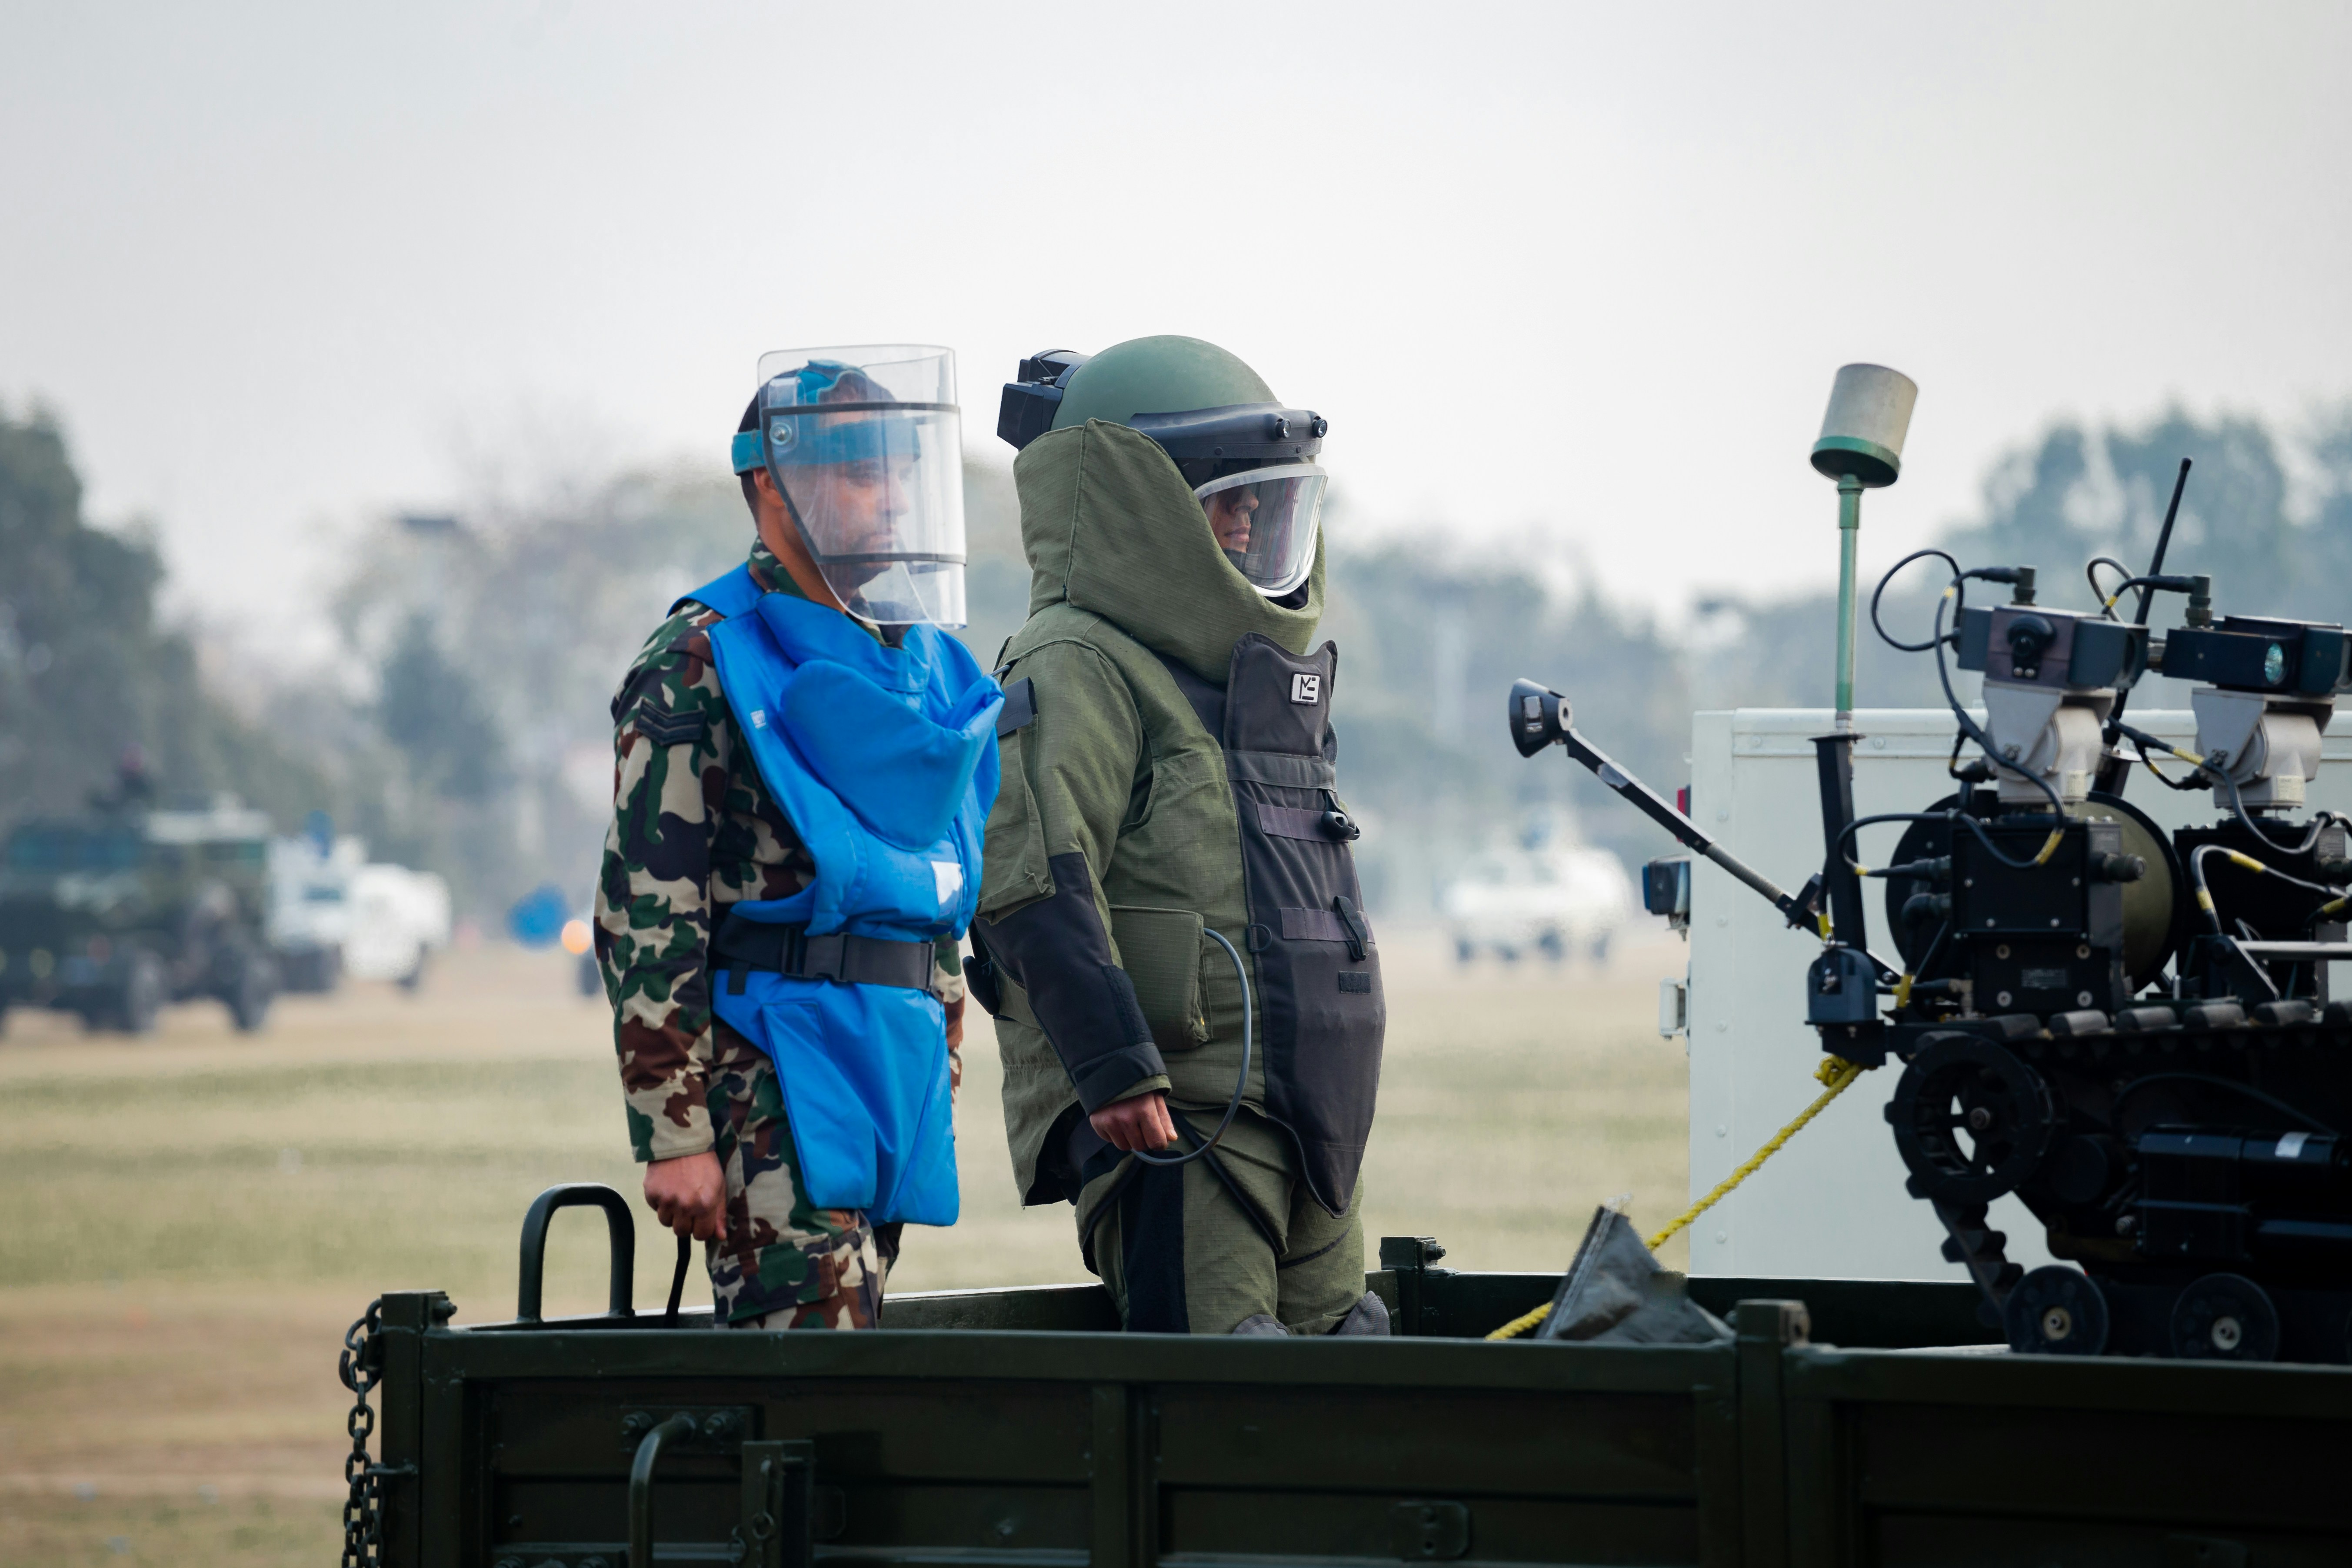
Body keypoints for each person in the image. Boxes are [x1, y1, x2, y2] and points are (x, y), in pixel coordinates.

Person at [970, 336, 1389, 1336]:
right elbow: (1031, 879)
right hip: (1180, 1115)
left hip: (1307, 1108)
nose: (1247, 518)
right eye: (1217, 492)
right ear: (1134, 507)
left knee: (1354, 1366)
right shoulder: (1075, 658)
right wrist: (1113, 1067)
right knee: (1228, 1402)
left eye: (1260, 495)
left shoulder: (1252, 677)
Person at [594, 346, 999, 1329]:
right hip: (770, 1071)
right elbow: (650, 904)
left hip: (888, 1061)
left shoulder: (919, 662)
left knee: (857, 1355)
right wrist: (676, 1128)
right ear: (769, 483)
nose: (895, 497)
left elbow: (931, 885)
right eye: (864, 473)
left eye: (903, 470)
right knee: (816, 1378)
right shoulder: (702, 657)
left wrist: (935, 1061)